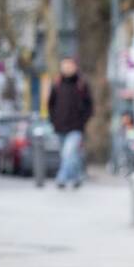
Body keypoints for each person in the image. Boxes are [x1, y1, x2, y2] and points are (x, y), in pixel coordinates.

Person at [47, 57, 93, 189]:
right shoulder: (57, 83)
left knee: (68, 152)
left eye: (69, 65)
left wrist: (82, 121)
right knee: (70, 155)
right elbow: (51, 104)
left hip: (75, 127)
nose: (66, 68)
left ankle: (61, 178)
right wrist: (53, 120)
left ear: (75, 67)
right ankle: (77, 176)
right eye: (64, 65)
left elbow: (89, 106)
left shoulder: (82, 84)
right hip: (60, 126)